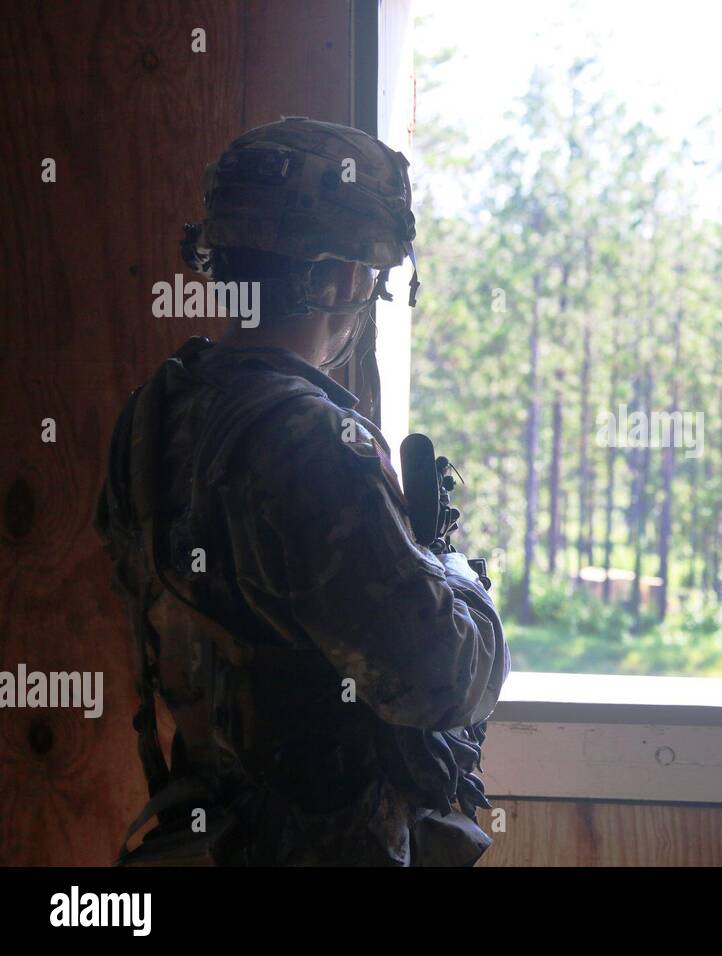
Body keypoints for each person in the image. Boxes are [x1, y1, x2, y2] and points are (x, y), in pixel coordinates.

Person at [95, 117, 509, 866]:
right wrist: (458, 579)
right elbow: (438, 678)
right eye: (375, 282)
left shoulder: (155, 413)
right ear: (351, 276)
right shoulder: (317, 444)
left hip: (202, 837)